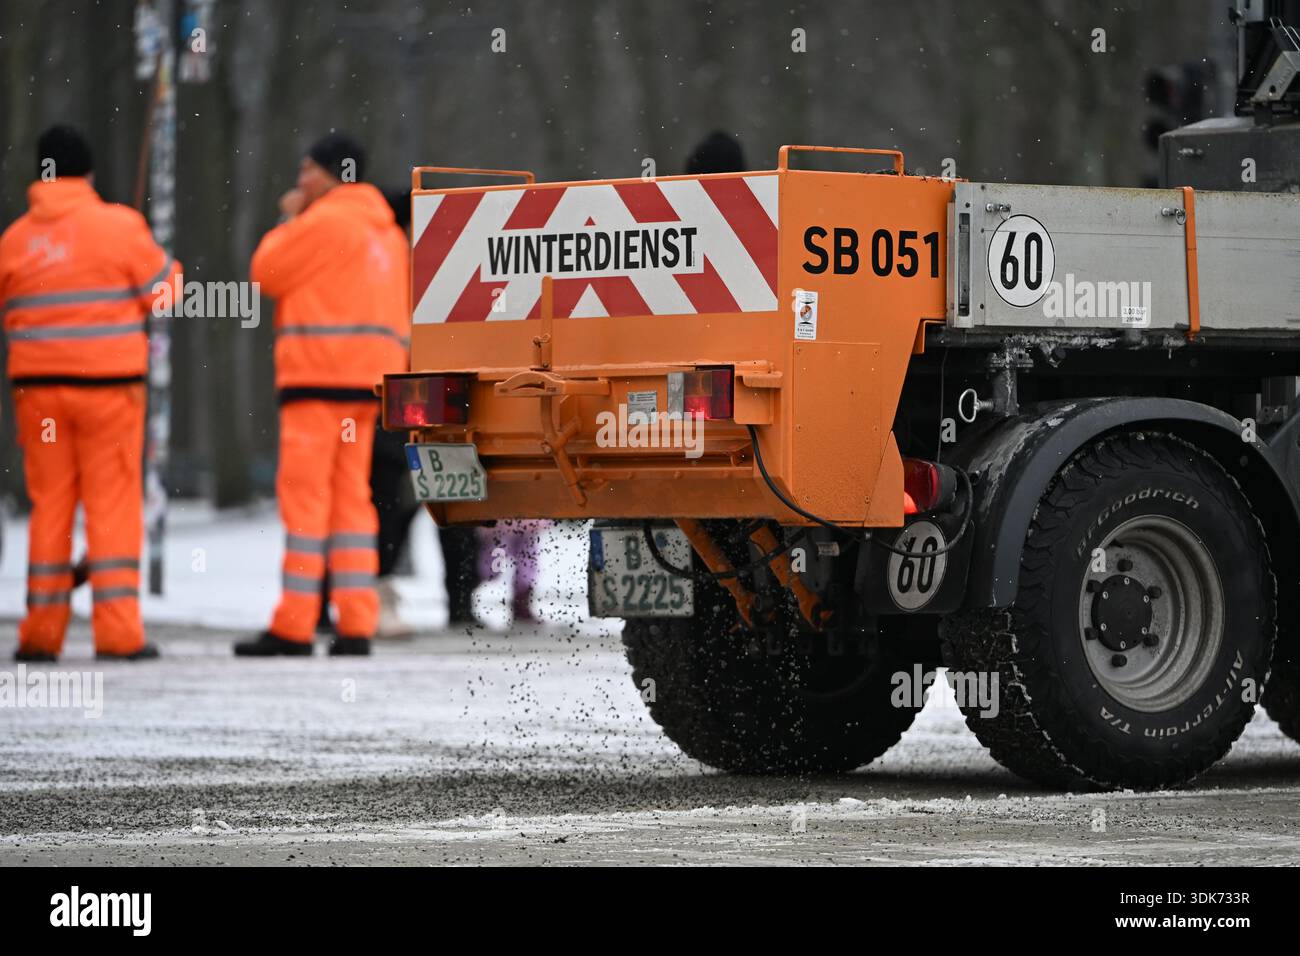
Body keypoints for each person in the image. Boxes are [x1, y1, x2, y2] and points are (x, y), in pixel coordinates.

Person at [0, 125, 178, 662]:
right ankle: (118, 633)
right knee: (112, 506)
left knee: (50, 506)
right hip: (110, 393)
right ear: (90, 173)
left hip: (39, 395)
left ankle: (40, 632)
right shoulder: (120, 227)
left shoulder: (15, 239)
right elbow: (166, 296)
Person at [234, 132, 406, 657]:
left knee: (306, 502)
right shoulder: (389, 234)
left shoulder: (322, 221)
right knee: (353, 503)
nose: (300, 180)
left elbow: (264, 273)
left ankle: (295, 624)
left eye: (307, 169)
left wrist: (290, 217)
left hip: (316, 383)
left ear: (329, 173)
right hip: (368, 387)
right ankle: (356, 624)